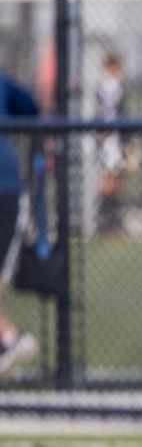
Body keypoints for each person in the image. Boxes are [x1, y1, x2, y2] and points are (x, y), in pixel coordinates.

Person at [0, 69, 40, 377]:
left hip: (7, 189)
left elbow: (29, 106)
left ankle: (9, 338)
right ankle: (9, 339)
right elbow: (30, 107)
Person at [95, 52, 126, 237]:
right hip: (109, 141)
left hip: (115, 140)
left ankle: (112, 221)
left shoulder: (117, 87)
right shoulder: (107, 87)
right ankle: (106, 221)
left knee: (115, 178)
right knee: (109, 179)